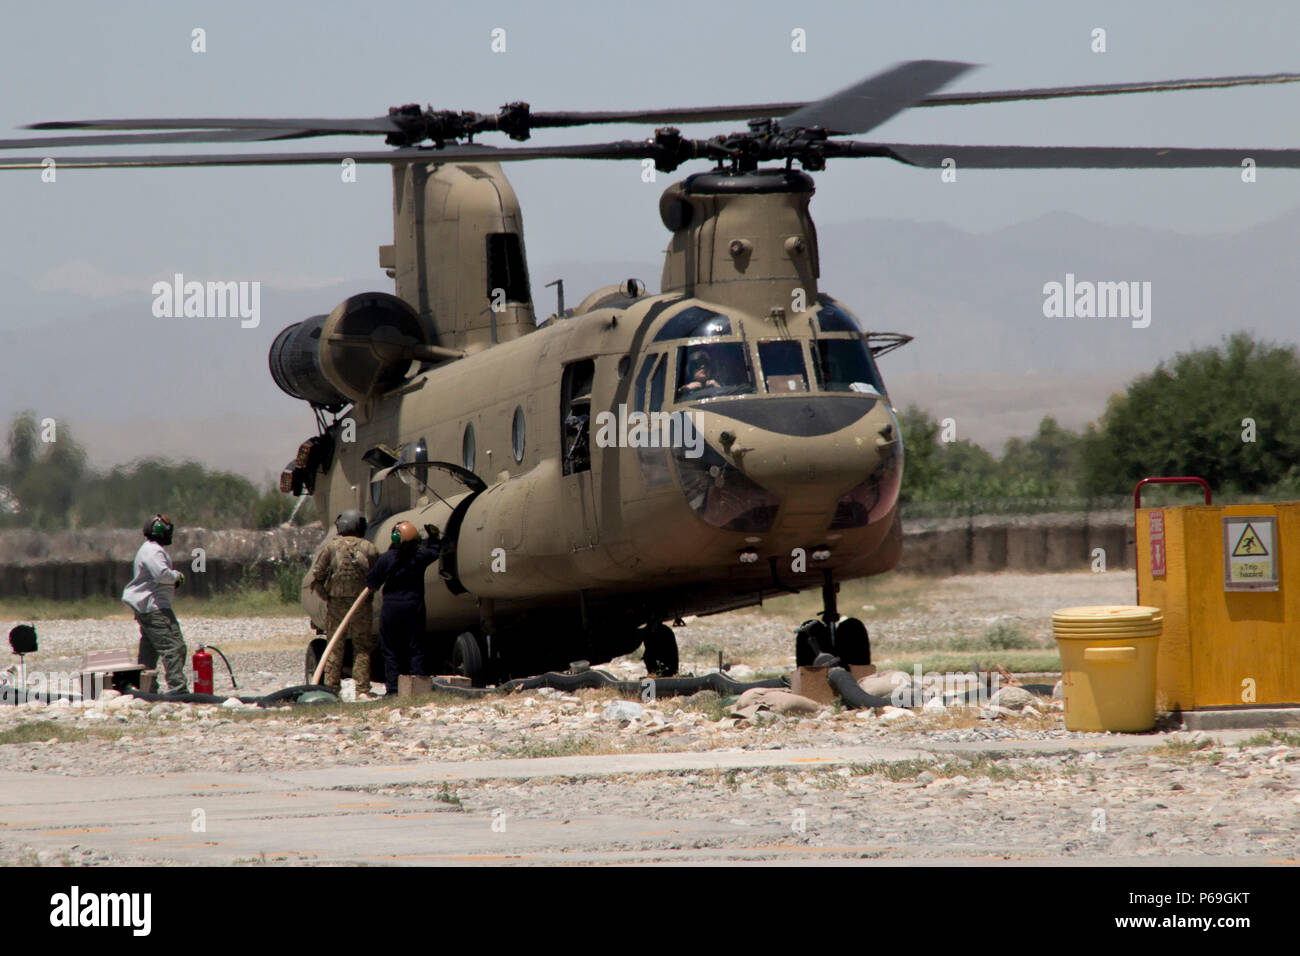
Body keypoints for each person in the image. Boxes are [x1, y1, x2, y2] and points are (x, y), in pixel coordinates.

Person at [365, 521, 441, 696]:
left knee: (390, 650)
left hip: (391, 611)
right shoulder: (420, 557)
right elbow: (435, 551)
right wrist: (434, 537)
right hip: (414, 608)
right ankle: (419, 689)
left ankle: (392, 689)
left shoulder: (386, 559)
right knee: (416, 647)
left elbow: (372, 582)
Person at [310, 510, 379, 697]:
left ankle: (331, 689)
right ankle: (362, 689)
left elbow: (317, 575)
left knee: (334, 646)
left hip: (336, 605)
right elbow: (377, 574)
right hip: (361, 604)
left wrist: (327, 597)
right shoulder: (369, 547)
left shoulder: (331, 548)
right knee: (362, 648)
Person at [121, 514, 188, 694]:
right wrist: (177, 576)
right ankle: (178, 689)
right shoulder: (153, 551)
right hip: (155, 607)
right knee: (174, 646)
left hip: (149, 607)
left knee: (149, 650)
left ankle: (145, 688)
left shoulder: (149, 549)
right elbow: (161, 574)